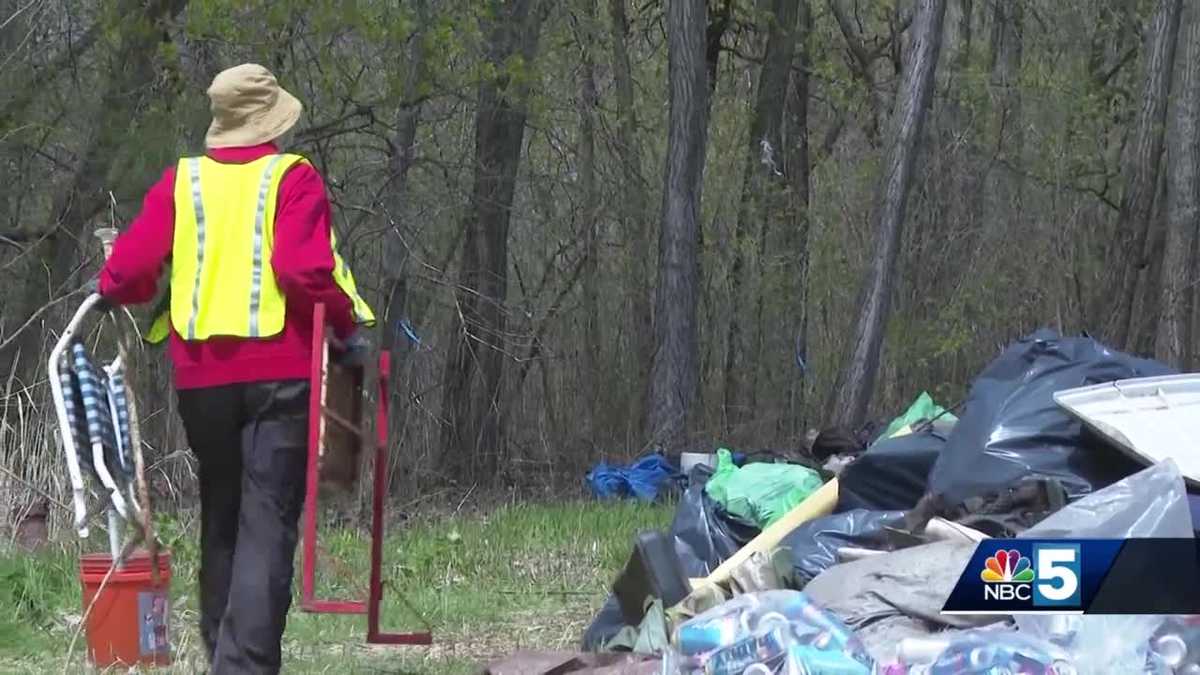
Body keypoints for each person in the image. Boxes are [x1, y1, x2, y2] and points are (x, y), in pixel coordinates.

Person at [94, 63, 375, 674]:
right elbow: (301, 271)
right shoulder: (292, 179)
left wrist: (115, 278)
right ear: (271, 122)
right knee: (267, 519)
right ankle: (241, 665)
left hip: (201, 383)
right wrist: (344, 327)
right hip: (282, 376)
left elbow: (128, 274)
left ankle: (222, 650)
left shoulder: (184, 182)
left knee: (222, 512)